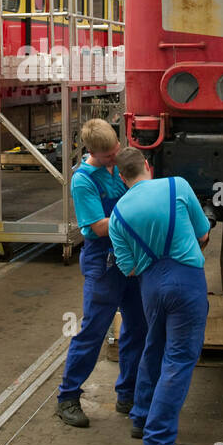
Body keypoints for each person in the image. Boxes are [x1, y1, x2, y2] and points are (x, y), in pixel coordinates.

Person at [109, 147, 211, 445]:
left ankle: (141, 418)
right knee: (178, 359)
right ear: (147, 167)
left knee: (154, 348)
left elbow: (128, 268)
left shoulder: (117, 215)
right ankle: (158, 441)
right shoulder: (176, 186)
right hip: (186, 280)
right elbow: (203, 234)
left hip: (150, 286)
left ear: (122, 178)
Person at [54, 119, 146, 428]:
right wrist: (138, 214)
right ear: (93, 152)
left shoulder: (117, 166)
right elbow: (97, 226)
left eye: (117, 151)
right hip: (103, 261)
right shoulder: (83, 181)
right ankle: (67, 397)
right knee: (94, 329)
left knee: (138, 326)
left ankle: (128, 393)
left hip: (130, 258)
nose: (115, 158)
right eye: (109, 156)